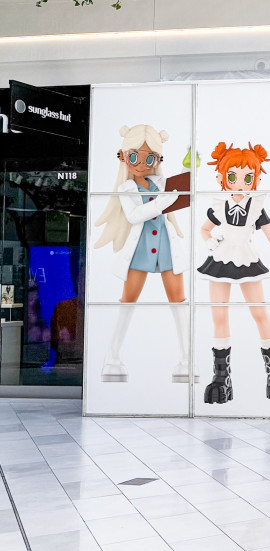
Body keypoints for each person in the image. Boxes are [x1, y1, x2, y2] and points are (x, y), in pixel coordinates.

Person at [198, 142, 270, 404]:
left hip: (246, 259)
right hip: (220, 259)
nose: (240, 184)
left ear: (256, 179)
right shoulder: (218, 205)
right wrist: (209, 241)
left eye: (247, 178)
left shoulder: (256, 207)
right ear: (221, 177)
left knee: (259, 312)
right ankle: (221, 377)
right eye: (233, 177)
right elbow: (204, 229)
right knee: (219, 315)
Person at [93, 124, 188, 382]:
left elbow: (181, 190)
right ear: (123, 156)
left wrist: (189, 167)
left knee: (179, 302)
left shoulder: (161, 183)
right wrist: (163, 202)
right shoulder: (126, 189)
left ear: (157, 159)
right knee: (128, 301)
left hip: (166, 247)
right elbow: (135, 215)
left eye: (149, 158)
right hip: (140, 248)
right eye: (134, 156)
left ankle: (186, 358)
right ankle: (112, 357)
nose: (141, 164)